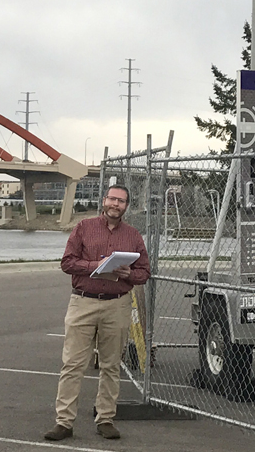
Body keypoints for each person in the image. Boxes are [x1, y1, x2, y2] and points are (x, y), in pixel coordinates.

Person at [44, 184, 150, 441]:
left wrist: (128, 273)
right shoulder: (83, 227)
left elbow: (144, 272)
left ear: (127, 206)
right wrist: (96, 265)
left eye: (121, 201)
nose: (116, 204)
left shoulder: (133, 235)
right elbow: (67, 263)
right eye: (112, 199)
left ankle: (105, 419)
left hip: (117, 304)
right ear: (104, 201)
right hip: (83, 302)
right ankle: (64, 422)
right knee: (72, 365)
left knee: (111, 365)